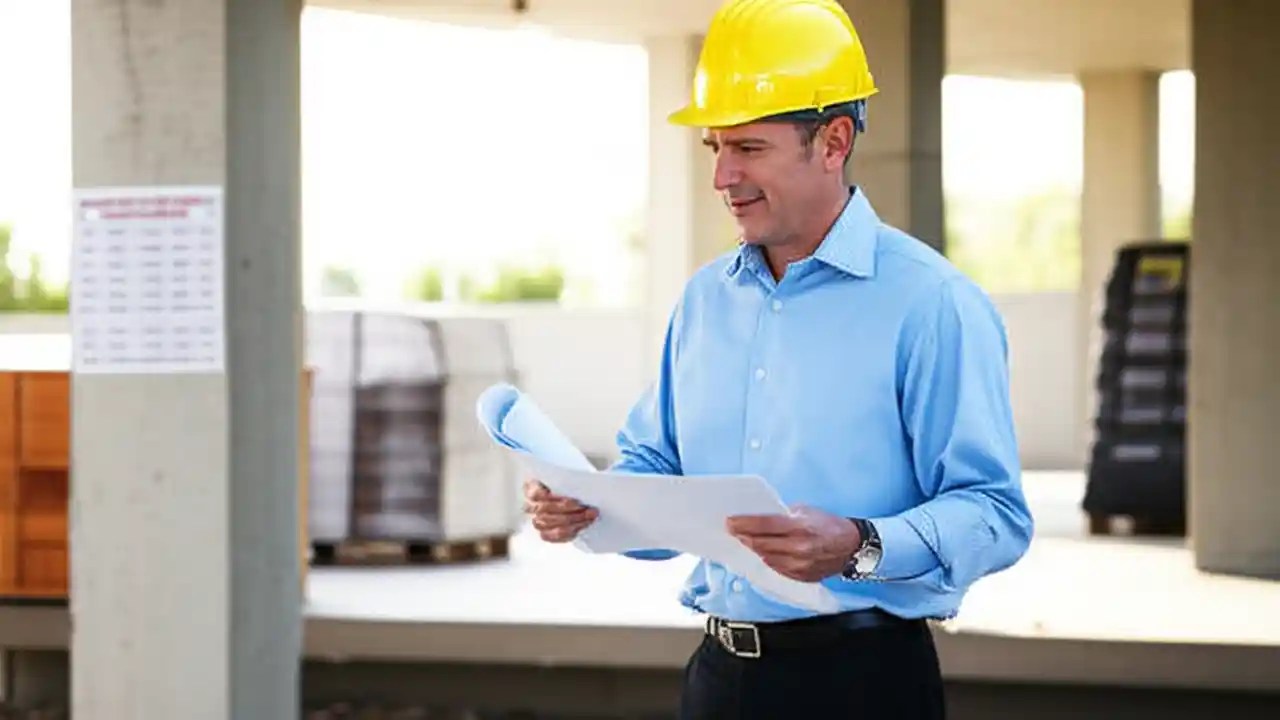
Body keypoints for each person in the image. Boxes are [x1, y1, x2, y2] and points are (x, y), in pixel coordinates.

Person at [522, 0, 1034, 716]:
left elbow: (995, 513)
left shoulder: (932, 304)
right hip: (716, 679)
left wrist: (860, 545)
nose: (722, 177)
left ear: (833, 140)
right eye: (715, 149)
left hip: (860, 684)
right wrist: (591, 505)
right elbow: (659, 470)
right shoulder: (705, 301)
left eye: (749, 148)